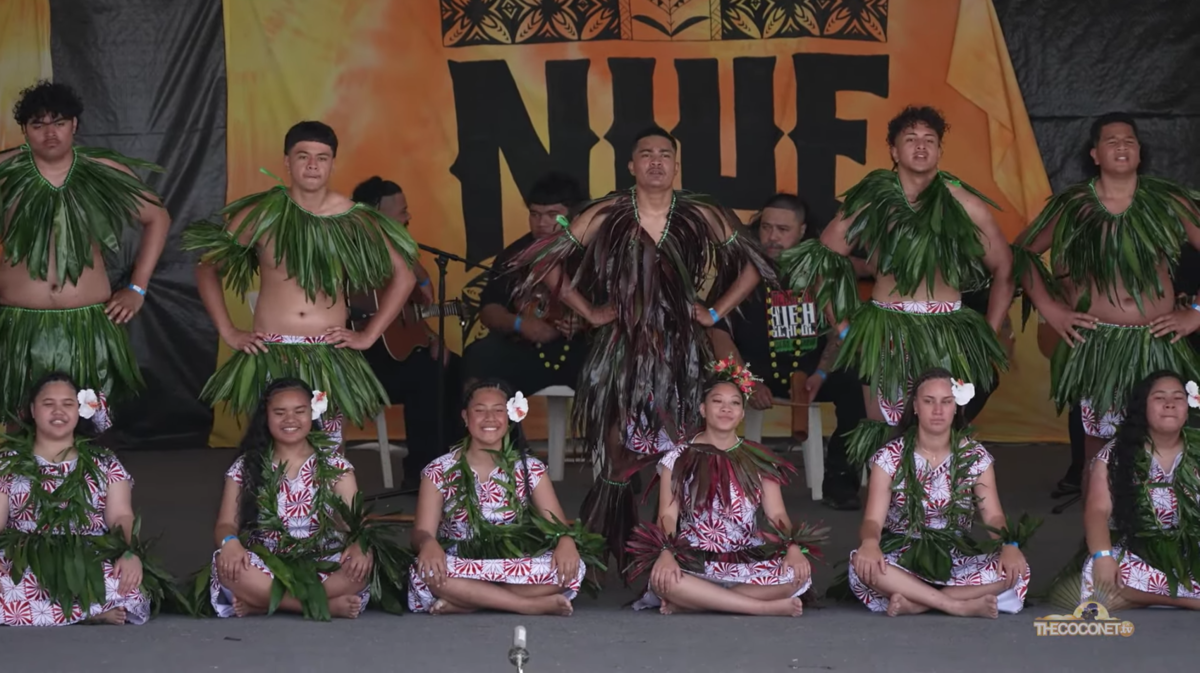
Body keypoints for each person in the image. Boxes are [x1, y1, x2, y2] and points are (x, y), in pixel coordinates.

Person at [508, 126, 775, 566]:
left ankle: (678, 551)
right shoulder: (608, 211)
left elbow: (756, 263)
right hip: (621, 350)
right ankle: (608, 553)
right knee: (618, 457)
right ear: (631, 166)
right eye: (646, 154)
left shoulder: (700, 212)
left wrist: (712, 313)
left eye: (665, 154)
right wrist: (591, 311)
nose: (656, 161)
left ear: (675, 164)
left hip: (681, 348)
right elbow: (545, 259)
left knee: (684, 450)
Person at [781, 106, 1013, 467]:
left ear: (939, 149)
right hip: (886, 328)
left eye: (929, 140)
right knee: (883, 426)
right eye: (910, 140)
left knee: (941, 424)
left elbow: (1004, 268)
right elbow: (821, 260)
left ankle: (938, 514)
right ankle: (890, 516)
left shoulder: (964, 204)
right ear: (893, 150)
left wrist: (989, 333)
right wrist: (843, 330)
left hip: (946, 328)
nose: (921, 147)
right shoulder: (872, 203)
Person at [184, 121, 419, 444]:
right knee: (269, 454)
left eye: (322, 157)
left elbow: (404, 276)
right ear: (287, 161)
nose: (312, 165)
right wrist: (228, 331)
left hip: (328, 355)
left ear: (332, 163)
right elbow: (207, 267)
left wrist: (368, 335)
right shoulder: (260, 216)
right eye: (303, 156)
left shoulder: (354, 218)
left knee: (326, 455)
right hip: (272, 352)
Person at [1012, 112, 1200, 490]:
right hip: (1100, 348)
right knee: (1099, 457)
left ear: (1140, 152)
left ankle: (1158, 538)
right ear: (1095, 154)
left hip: (1158, 344)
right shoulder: (1075, 206)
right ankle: (1101, 545)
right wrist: (1051, 308)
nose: (1122, 145)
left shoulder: (1168, 201)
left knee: (1165, 448)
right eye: (1111, 140)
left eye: (1129, 139)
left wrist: (1196, 314)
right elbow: (1020, 255)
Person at [0, 80, 170, 424]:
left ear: (74, 125)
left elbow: (158, 218)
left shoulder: (104, 172)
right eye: (38, 124)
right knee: (22, 425)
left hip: (87, 327)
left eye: (59, 123)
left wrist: (137, 288)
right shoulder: (4, 174)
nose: (50, 133)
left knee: (89, 425)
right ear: (24, 130)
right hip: (20, 326)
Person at [626, 359, 823, 616]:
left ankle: (696, 602)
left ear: (742, 413)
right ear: (703, 409)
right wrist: (666, 552)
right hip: (695, 561)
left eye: (734, 403)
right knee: (664, 580)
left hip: (745, 561)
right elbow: (668, 515)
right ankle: (760, 608)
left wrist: (794, 548)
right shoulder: (679, 456)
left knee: (795, 576)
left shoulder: (759, 459)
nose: (726, 408)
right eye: (717, 401)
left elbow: (776, 515)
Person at [709, 193, 867, 510]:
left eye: (783, 229)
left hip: (811, 376)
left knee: (855, 383)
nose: (772, 237)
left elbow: (842, 335)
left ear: (803, 231)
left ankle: (840, 480)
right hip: (755, 375)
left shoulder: (823, 272)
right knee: (706, 384)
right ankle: (713, 482)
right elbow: (717, 331)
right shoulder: (742, 269)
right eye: (766, 228)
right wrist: (745, 382)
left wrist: (822, 373)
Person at [208, 378, 410, 620]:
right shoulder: (246, 466)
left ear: (312, 414)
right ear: (266, 417)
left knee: (358, 569)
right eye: (279, 412)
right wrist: (230, 542)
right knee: (227, 565)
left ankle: (265, 602)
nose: (290, 420)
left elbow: (355, 522)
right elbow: (225, 524)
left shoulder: (335, 466)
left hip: (322, 558)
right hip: (267, 561)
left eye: (299, 411)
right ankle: (317, 606)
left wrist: (360, 546)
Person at [847, 369, 1033, 618]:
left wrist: (1009, 544)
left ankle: (916, 603)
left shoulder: (975, 456)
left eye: (946, 402)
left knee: (1015, 570)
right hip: (902, 551)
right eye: (928, 401)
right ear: (915, 406)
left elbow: (994, 518)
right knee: (862, 563)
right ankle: (955, 605)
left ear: (956, 407)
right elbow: (872, 521)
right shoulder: (889, 458)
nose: (938, 410)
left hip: (954, 555)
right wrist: (870, 544)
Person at [409, 380, 604, 615]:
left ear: (511, 415)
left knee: (573, 567)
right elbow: (421, 532)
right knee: (426, 572)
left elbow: (558, 527)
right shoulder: (439, 470)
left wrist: (566, 541)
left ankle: (467, 600)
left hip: (511, 560)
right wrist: (428, 544)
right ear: (465, 416)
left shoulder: (530, 468)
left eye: (498, 410)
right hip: (460, 561)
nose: (489, 418)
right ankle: (527, 605)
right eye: (480, 410)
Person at [0, 373, 174, 625]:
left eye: (67, 404)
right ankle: (85, 612)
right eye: (48, 404)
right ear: (33, 410)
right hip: (25, 557)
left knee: (127, 584)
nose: (58, 411)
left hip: (87, 558)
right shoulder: (8, 463)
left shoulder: (104, 462)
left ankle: (59, 611)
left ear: (80, 410)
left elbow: (121, 516)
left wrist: (129, 552)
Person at [350, 176, 463, 485]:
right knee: (425, 377)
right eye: (401, 212)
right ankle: (424, 476)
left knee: (459, 368)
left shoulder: (401, 254)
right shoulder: (348, 254)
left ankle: (458, 462)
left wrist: (432, 338)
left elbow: (412, 312)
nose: (408, 217)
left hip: (392, 354)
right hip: (356, 362)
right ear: (373, 216)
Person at [463, 171, 590, 395]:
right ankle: (491, 429)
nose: (541, 223)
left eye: (552, 215)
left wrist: (584, 321)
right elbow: (489, 309)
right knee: (479, 355)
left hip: (581, 350)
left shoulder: (594, 254)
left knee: (615, 366)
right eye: (534, 214)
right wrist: (520, 324)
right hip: (526, 349)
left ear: (575, 215)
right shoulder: (513, 256)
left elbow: (617, 308)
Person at [1080, 371, 1200, 608]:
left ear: (1189, 408)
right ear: (1142, 408)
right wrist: (1103, 558)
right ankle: (1186, 600)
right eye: (1159, 398)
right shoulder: (1115, 454)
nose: (1169, 404)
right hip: (1140, 553)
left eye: (1178, 398)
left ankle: (1140, 598)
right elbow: (1097, 511)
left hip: (1193, 552)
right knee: (1096, 570)